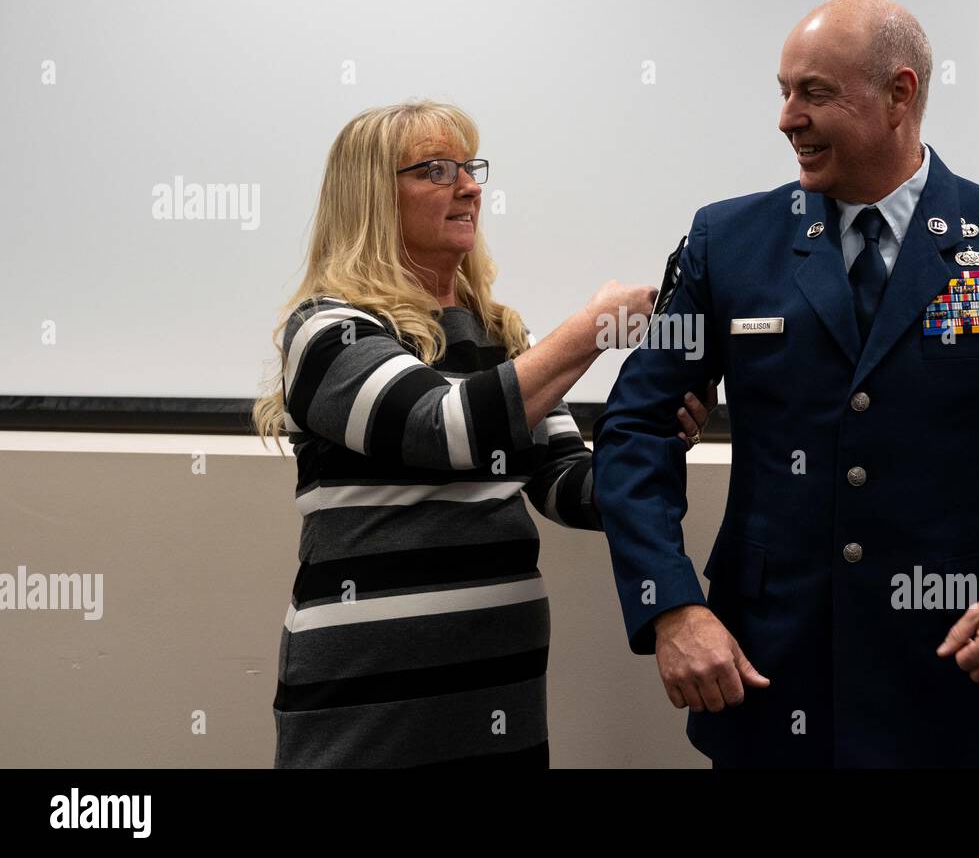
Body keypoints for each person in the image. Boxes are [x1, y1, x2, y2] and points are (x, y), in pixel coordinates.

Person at [592, 0, 979, 767]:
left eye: (814, 93)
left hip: (958, 678)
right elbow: (633, 432)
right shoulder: (729, 241)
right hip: (770, 677)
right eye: (783, 91)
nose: (787, 118)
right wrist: (672, 607)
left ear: (900, 94)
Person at [252, 100, 714, 768]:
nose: (469, 186)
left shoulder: (497, 335)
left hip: (498, 686)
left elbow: (570, 489)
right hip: (370, 694)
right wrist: (590, 332)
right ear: (373, 197)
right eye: (436, 171)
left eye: (470, 168)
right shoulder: (329, 329)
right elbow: (445, 428)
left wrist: (661, 434)